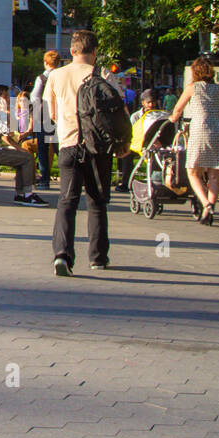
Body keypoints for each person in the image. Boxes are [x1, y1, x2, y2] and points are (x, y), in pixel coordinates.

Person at [45, 29, 125, 275]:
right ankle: (98, 257)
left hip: (69, 145)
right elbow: (118, 112)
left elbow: (51, 114)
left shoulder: (56, 75)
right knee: (97, 202)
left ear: (72, 51)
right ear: (95, 51)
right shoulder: (103, 76)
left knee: (66, 202)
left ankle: (62, 255)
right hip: (98, 147)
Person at [171, 58, 219, 226]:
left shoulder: (192, 88)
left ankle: (206, 203)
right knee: (214, 174)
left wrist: (172, 118)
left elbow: (177, 109)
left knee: (192, 171)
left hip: (200, 128)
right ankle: (210, 208)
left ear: (194, 72)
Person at [0, 85, 46, 205]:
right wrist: (6, 112)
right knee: (26, 158)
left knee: (23, 156)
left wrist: (20, 149)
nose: (8, 99)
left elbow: (5, 136)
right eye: (6, 96)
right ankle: (28, 194)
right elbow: (8, 132)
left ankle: (21, 194)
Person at [117, 87, 169, 192]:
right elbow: (131, 133)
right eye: (148, 102)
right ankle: (126, 182)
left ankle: (159, 181)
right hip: (138, 144)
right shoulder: (136, 116)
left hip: (155, 144)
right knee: (127, 155)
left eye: (153, 102)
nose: (151, 105)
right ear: (143, 103)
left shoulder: (161, 115)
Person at [30, 50, 62, 188]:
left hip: (44, 117)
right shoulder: (62, 76)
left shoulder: (41, 78)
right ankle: (69, 178)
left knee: (43, 149)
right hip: (61, 117)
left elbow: (35, 98)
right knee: (60, 148)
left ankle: (44, 180)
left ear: (46, 62)